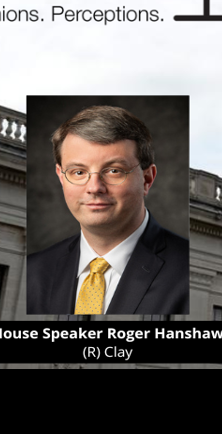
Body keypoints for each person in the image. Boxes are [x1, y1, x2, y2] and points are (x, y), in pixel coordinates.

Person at [27, 105, 189, 315]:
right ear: (61, 176)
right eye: (78, 172)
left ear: (147, 179)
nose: (94, 187)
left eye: (114, 171)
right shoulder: (34, 271)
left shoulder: (186, 272)